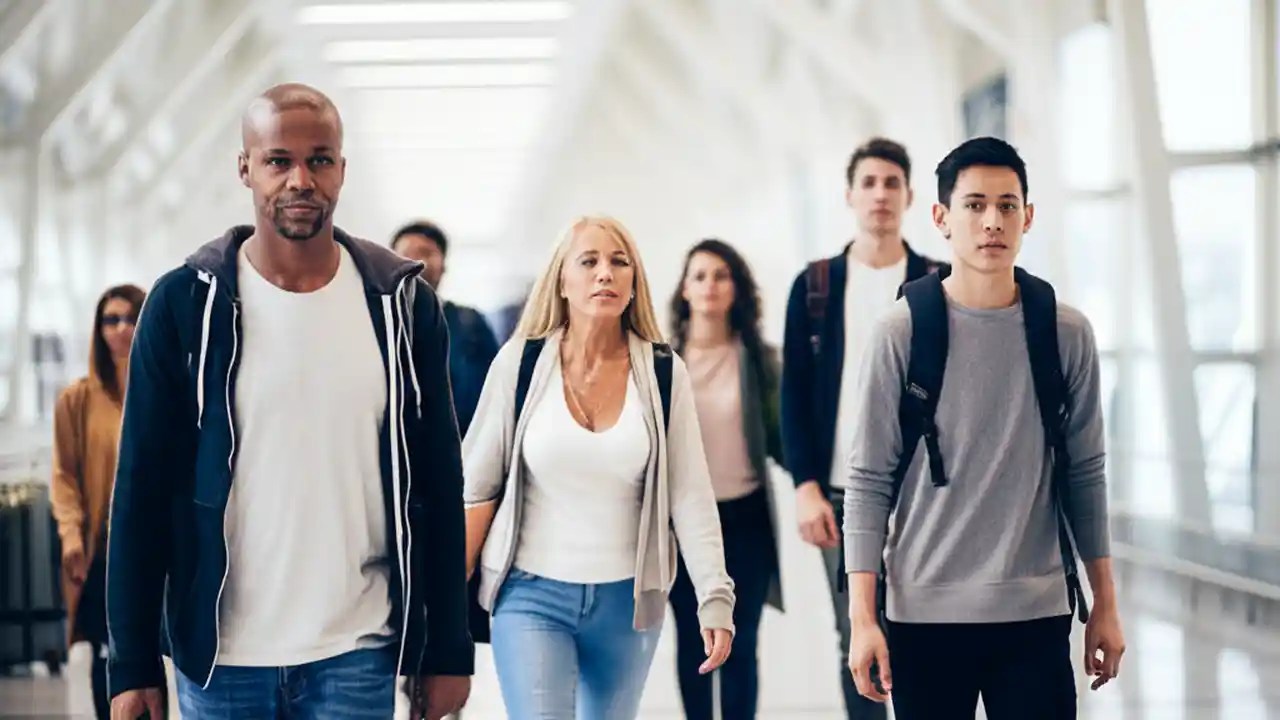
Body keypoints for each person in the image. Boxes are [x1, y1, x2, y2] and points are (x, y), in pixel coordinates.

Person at [105, 83, 473, 720]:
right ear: (245, 167)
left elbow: (438, 484)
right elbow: (140, 487)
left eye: (319, 159)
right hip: (222, 660)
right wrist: (132, 662)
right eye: (279, 160)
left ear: (342, 170)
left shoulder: (402, 308)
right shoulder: (184, 306)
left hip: (357, 649)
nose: (300, 179)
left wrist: (447, 647)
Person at [843, 136, 1125, 718]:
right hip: (923, 616)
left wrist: (1106, 601)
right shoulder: (899, 332)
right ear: (941, 218)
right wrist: (862, 618)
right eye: (974, 205)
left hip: (1036, 614)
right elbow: (868, 481)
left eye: (1006, 205)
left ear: (1028, 217)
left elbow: (1086, 474)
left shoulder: (1066, 333)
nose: (992, 221)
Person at [462, 216, 735, 720]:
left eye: (618, 262)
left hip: (626, 606)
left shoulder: (662, 372)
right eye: (588, 261)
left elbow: (690, 495)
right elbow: (475, 490)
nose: (605, 273)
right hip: (529, 597)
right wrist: (439, 616)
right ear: (562, 281)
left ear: (633, 283)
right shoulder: (519, 364)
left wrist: (714, 596)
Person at [780, 137, 944, 719]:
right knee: (857, 634)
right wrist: (805, 486)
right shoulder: (816, 287)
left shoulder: (939, 282)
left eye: (891, 183)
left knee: (930, 634)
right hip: (841, 493)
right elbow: (794, 395)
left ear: (910, 196)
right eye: (868, 183)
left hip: (926, 495)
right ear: (849, 195)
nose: (880, 194)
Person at [666, 239, 784, 720]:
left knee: (742, 641)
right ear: (685, 290)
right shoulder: (663, 363)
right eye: (700, 276)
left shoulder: (758, 361)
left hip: (745, 518)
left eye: (721, 275)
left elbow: (784, 439)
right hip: (683, 527)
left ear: (736, 288)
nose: (710, 285)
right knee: (692, 640)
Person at [49, 284, 147, 719]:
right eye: (111, 319)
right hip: (102, 551)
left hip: (154, 550)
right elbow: (64, 476)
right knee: (107, 654)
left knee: (152, 654)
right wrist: (71, 535)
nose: (122, 329)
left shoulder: (163, 391)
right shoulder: (77, 400)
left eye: (131, 318)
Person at [391, 221, 499, 436]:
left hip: (462, 445)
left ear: (443, 266)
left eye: (426, 253)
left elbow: (496, 393)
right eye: (407, 253)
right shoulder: (376, 322)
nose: (416, 262)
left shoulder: (470, 324)